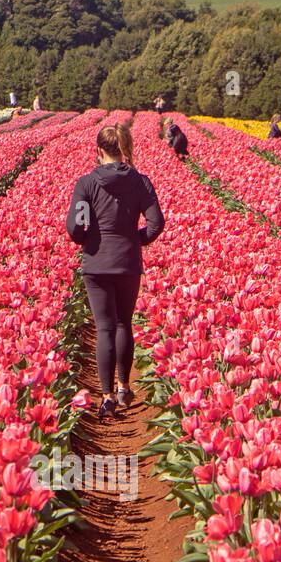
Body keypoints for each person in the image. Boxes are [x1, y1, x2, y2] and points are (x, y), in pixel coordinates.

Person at [65, 123, 165, 422]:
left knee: (105, 328)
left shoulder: (86, 184)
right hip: (127, 263)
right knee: (124, 324)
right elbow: (156, 222)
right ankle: (124, 387)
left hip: (96, 264)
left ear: (98, 151)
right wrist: (136, 240)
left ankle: (106, 396)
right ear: (125, 149)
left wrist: (88, 241)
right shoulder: (141, 183)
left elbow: (76, 227)